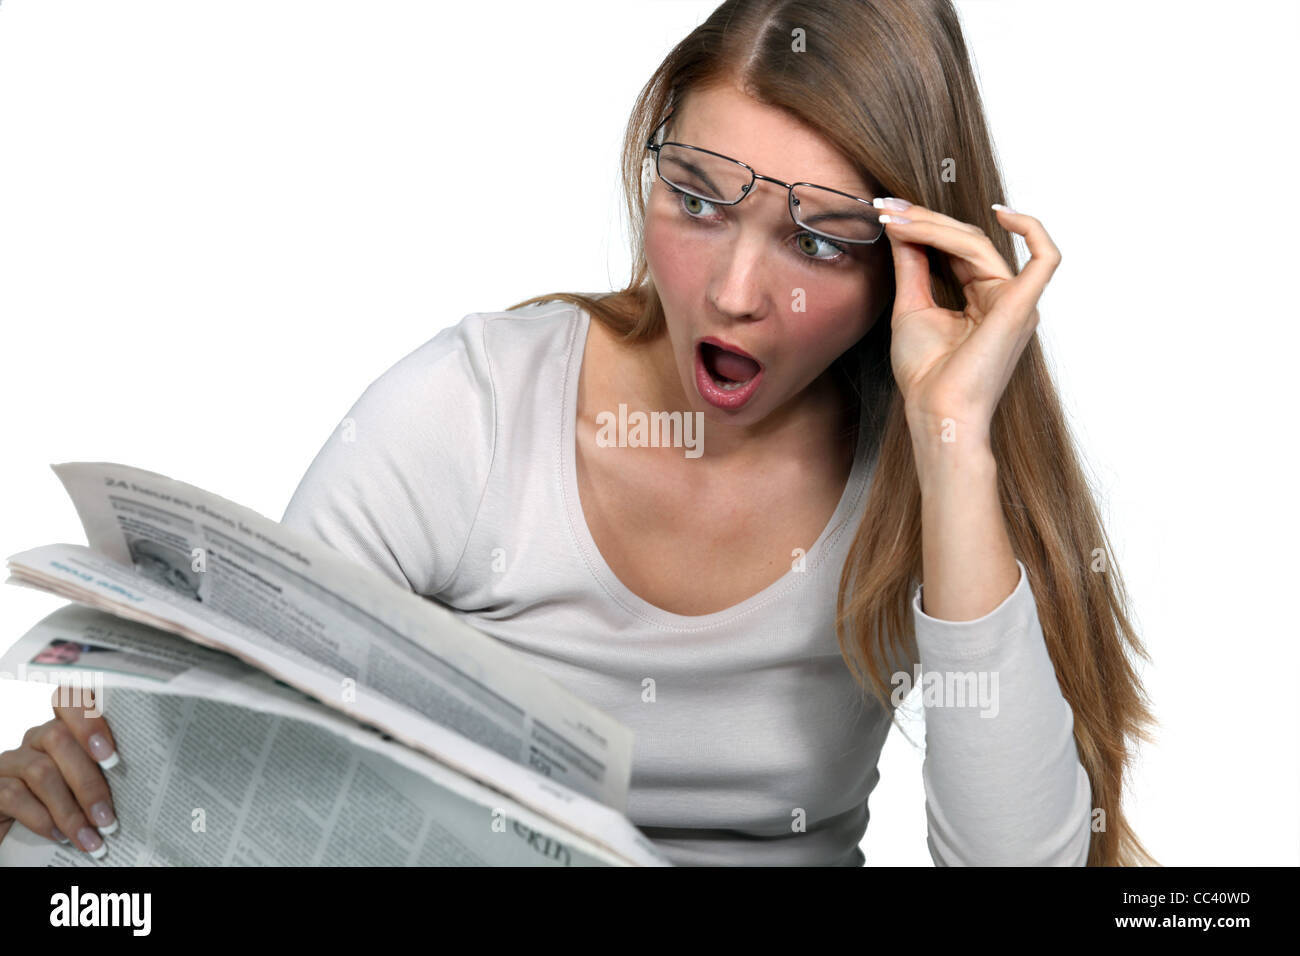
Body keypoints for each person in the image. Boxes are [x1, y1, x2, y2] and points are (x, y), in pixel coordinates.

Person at [0, 0, 1155, 866]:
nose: (735, 290)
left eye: (818, 239)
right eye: (697, 199)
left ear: (911, 261)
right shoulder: (471, 411)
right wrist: (79, 784)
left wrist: (955, 438)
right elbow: (248, 761)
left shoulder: (917, 466)